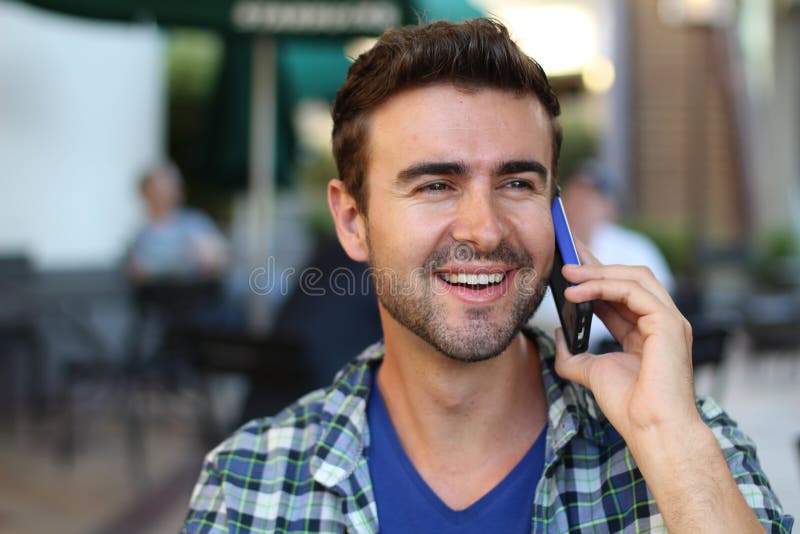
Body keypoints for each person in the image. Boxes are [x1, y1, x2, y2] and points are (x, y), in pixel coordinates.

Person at [182, 19, 792, 533]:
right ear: (352, 221)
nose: (485, 229)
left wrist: (671, 440)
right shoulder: (247, 486)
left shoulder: (689, 447)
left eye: (518, 183)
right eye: (435, 185)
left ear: (555, 212)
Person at [533, 161, 675, 351]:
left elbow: (663, 309)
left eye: (592, 197)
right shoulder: (544, 248)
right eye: (577, 193)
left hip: (623, 348)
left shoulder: (637, 248)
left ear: (610, 208)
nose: (581, 203)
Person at [125, 163, 228, 283]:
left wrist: (211, 256)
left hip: (196, 290)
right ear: (146, 194)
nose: (164, 194)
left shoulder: (194, 223)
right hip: (160, 293)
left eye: (169, 187)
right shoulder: (142, 237)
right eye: (158, 189)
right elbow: (135, 272)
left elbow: (219, 259)